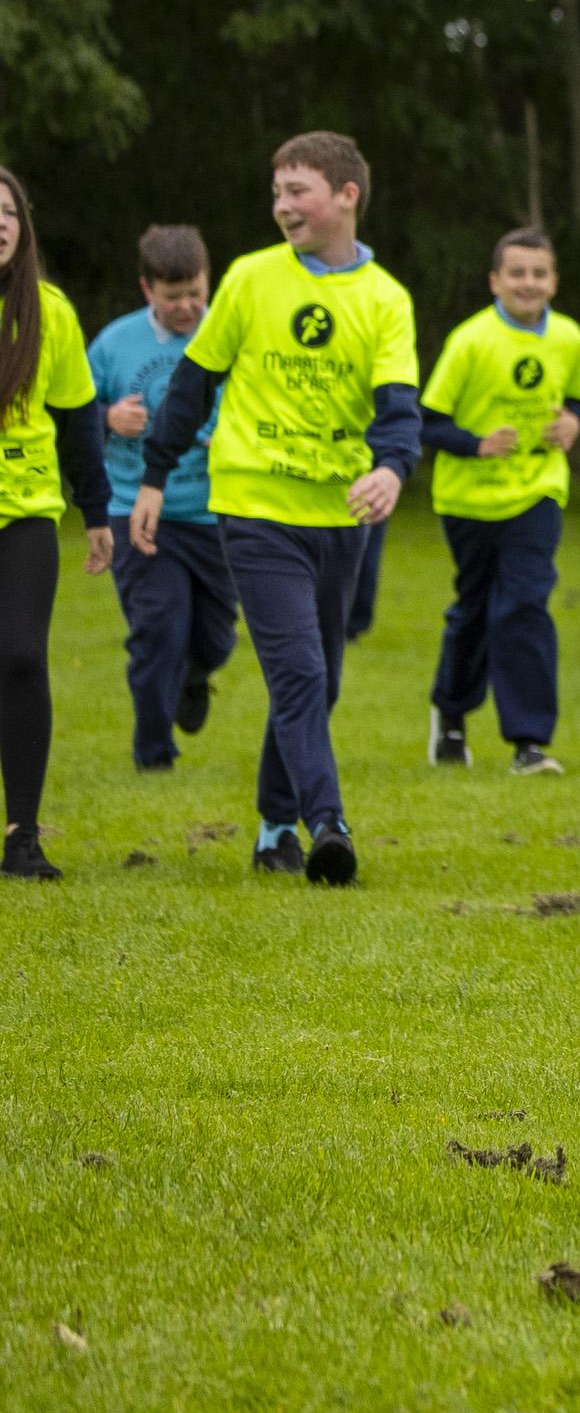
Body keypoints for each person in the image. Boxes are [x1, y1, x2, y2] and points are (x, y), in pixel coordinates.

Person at [134, 133, 422, 886]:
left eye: (297, 191)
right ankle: (326, 823)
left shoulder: (386, 299)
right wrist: (155, 476)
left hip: (339, 515)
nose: (282, 206)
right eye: (277, 193)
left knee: (320, 680)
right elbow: (193, 385)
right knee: (297, 673)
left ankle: (270, 829)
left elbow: (397, 409)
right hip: (254, 504)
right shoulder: (249, 279)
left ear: (346, 195)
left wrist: (391, 469)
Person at [421, 227, 580, 775]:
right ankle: (450, 713)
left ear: (554, 282)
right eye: (516, 273)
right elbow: (428, 422)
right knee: (474, 613)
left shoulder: (569, 338)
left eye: (539, 273)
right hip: (467, 501)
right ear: (495, 280)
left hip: (537, 491)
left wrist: (572, 423)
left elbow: (576, 403)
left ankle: (528, 743)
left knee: (524, 604)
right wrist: (476, 445)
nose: (528, 283)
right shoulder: (470, 341)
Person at [0, 170, 114, 880]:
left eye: (6, 211)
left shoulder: (50, 312)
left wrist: (96, 511)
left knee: (18, 656)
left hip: (27, 511)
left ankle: (22, 836)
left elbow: (78, 423)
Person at [90, 224, 237, 770]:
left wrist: (230, 433)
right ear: (146, 289)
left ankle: (196, 677)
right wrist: (107, 417)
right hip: (135, 508)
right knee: (158, 631)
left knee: (216, 640)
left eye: (197, 292)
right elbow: (73, 409)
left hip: (214, 512)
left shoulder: (228, 333)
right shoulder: (114, 343)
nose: (188, 307)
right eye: (173, 297)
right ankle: (154, 754)